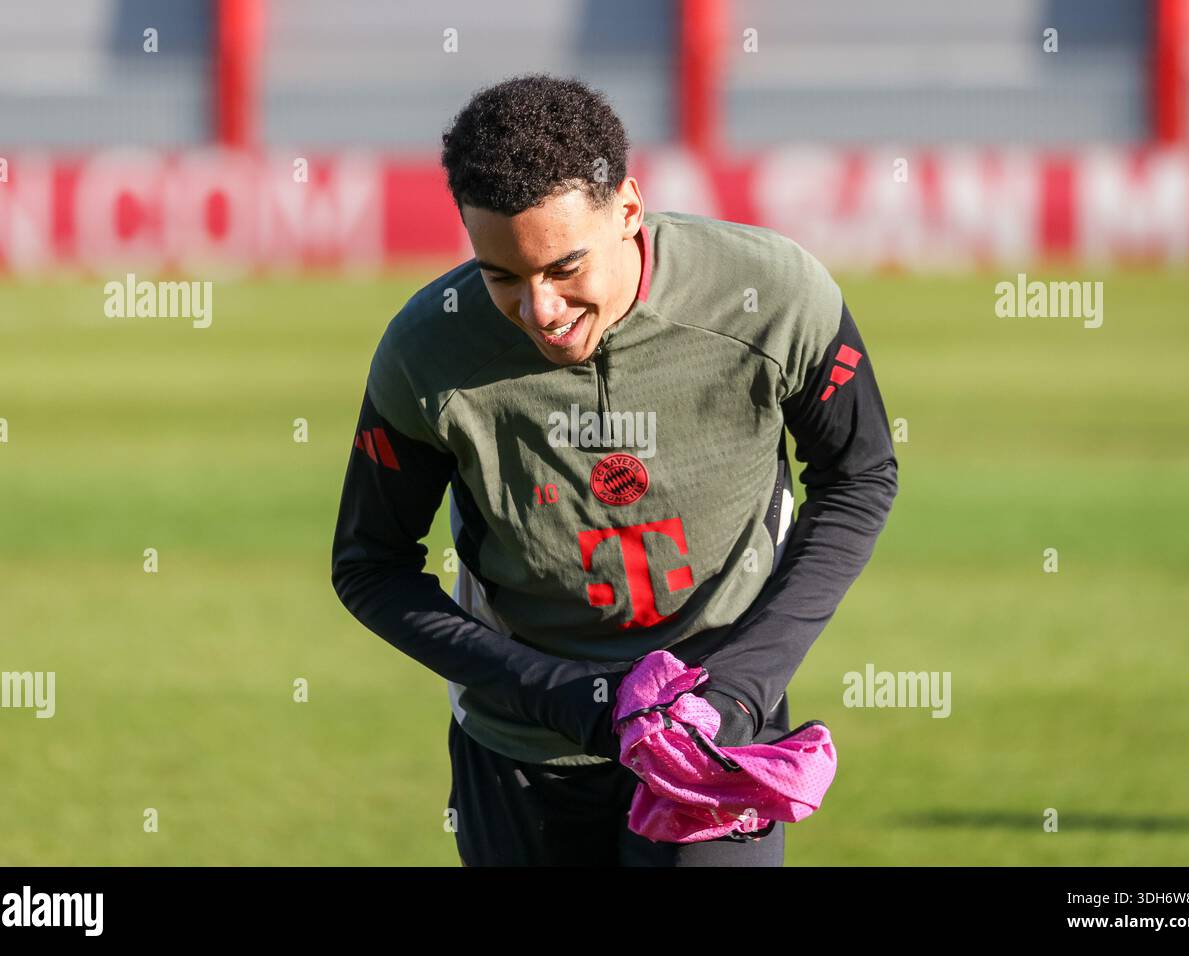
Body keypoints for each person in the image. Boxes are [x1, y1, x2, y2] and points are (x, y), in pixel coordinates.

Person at [331, 73, 898, 866]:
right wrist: (566, 695)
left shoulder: (773, 295)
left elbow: (859, 477)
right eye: (501, 277)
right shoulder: (426, 350)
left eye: (565, 268)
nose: (541, 311)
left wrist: (737, 691)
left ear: (629, 210)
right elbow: (370, 566)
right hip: (522, 750)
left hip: (711, 742)